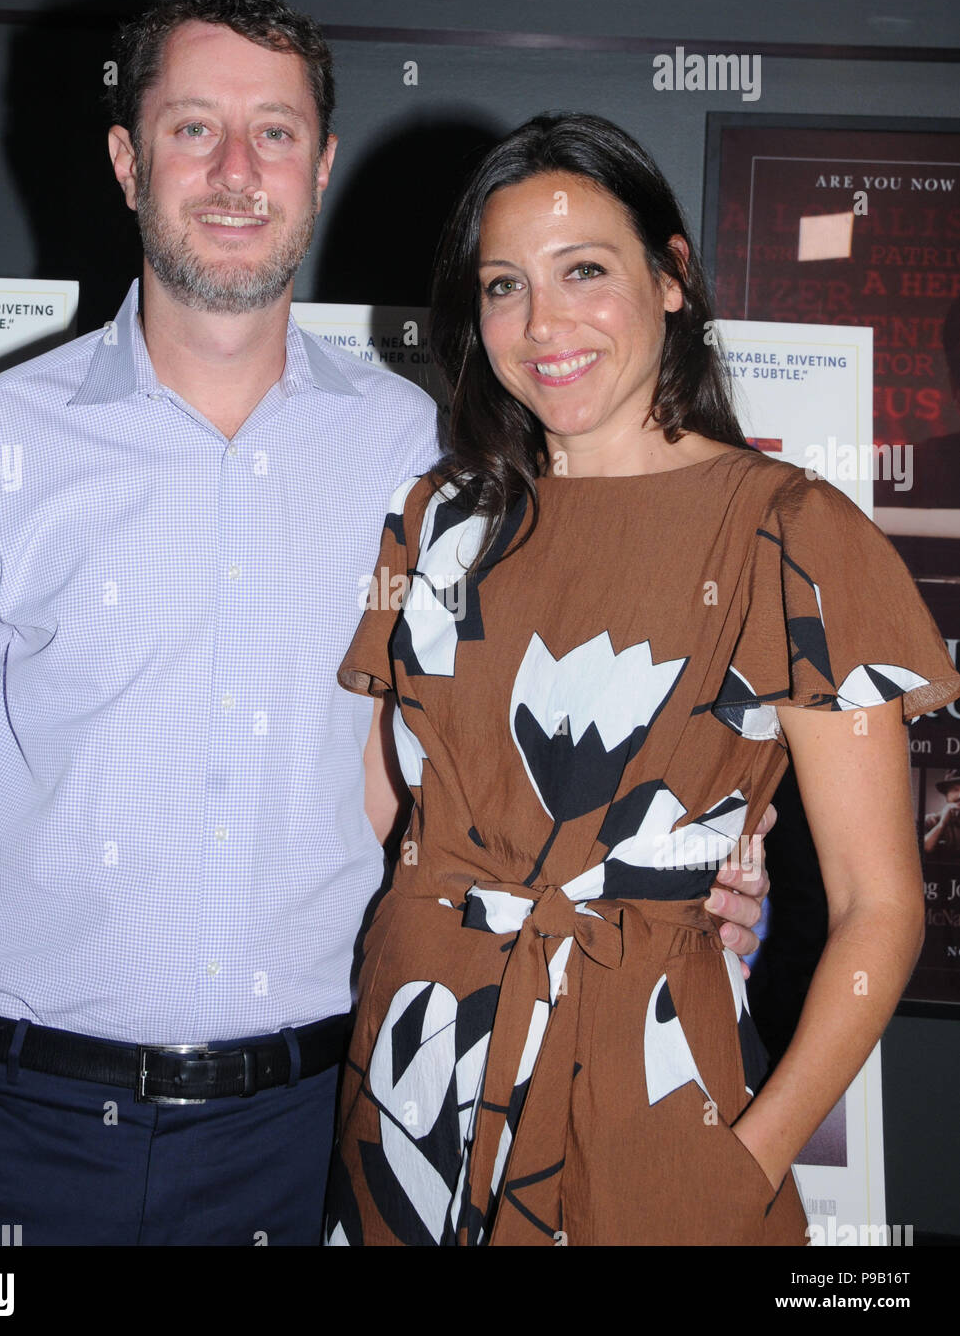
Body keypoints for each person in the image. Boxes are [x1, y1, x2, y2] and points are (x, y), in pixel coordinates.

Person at [0, 0, 768, 1248]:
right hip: (15, 1136)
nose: (237, 171)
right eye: (193, 128)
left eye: (274, 133)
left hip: (314, 1137)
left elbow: (506, 760)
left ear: (321, 164)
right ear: (126, 159)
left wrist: (686, 884)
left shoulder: (428, 458)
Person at [324, 112, 960, 1247]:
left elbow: (880, 907)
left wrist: (738, 1166)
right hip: (412, 1081)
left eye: (583, 270)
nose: (541, 322)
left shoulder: (788, 533)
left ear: (671, 277)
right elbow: (378, 821)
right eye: (504, 285)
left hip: (649, 1098)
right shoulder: (436, 523)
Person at [924, 771, 960, 859]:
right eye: (955, 790)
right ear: (946, 794)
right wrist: (941, 824)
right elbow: (921, 850)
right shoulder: (929, 821)